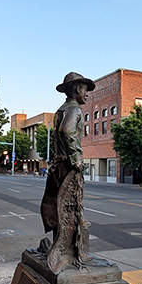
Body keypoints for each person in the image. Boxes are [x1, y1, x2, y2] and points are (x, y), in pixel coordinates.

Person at [39, 72, 95, 273]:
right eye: (85, 90)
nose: (87, 95)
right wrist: (76, 158)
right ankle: (69, 252)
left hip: (58, 165)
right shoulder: (74, 110)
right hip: (68, 167)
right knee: (72, 207)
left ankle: (63, 247)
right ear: (76, 90)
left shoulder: (61, 109)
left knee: (58, 206)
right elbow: (66, 131)